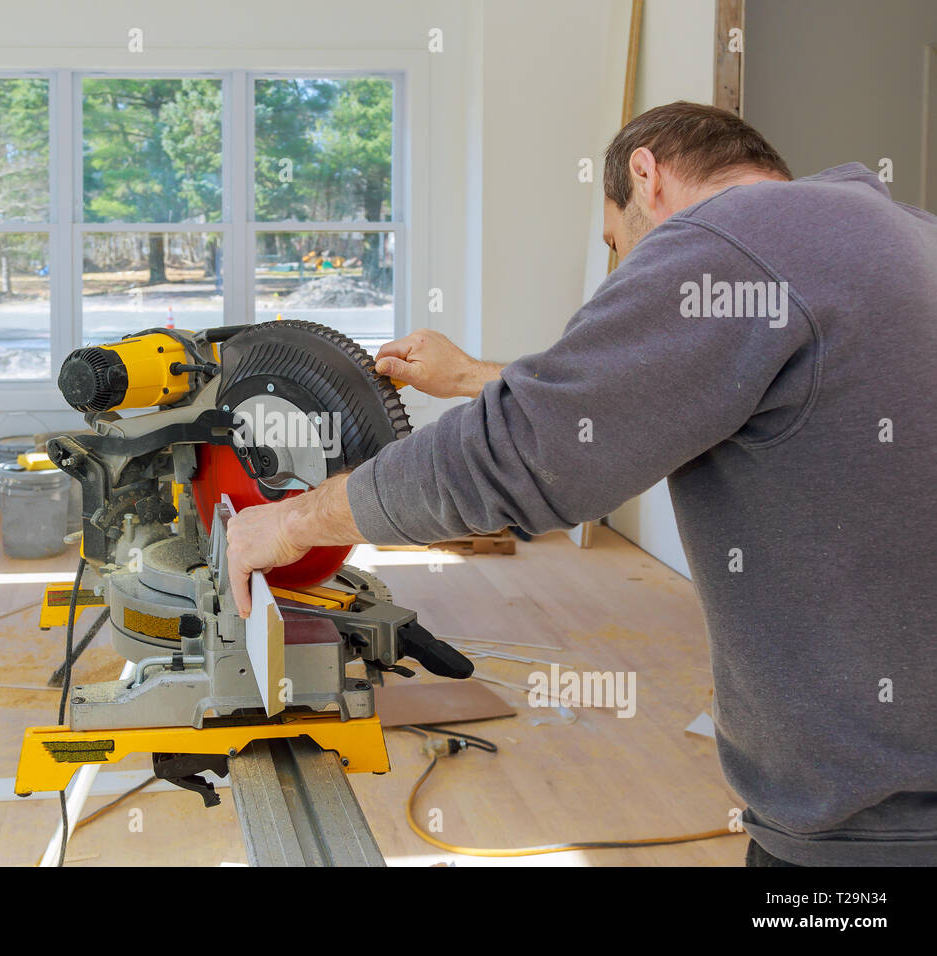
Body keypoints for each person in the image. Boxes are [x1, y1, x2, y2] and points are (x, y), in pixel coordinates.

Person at [224, 101, 937, 867]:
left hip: (876, 837)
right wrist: (475, 378)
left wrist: (293, 522)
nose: (621, 264)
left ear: (646, 173)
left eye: (613, 240)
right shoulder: (890, 235)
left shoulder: (723, 242)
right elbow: (669, 402)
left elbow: (521, 456)